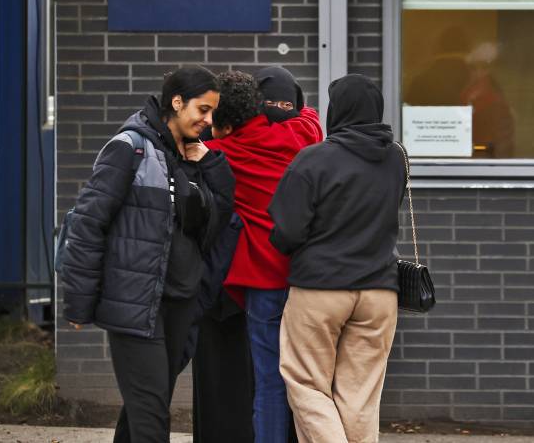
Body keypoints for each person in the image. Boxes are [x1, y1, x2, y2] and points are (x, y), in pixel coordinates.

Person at [58, 65, 237, 443]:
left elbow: (219, 219)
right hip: (136, 307)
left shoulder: (189, 157)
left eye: (212, 112)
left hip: (179, 305)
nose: (208, 120)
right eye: (202, 110)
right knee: (152, 414)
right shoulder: (130, 148)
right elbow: (89, 224)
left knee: (146, 406)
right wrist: (78, 301)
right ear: (177, 101)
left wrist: (209, 162)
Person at [269, 74, 406, 443]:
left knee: (307, 383)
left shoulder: (313, 159)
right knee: (360, 396)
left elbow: (287, 231)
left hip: (320, 288)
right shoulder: (396, 157)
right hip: (380, 291)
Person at [201, 67, 322, 443]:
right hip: (306, 278)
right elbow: (312, 117)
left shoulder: (219, 153)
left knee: (268, 378)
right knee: (310, 378)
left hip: (261, 281)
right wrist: (287, 109)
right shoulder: (299, 134)